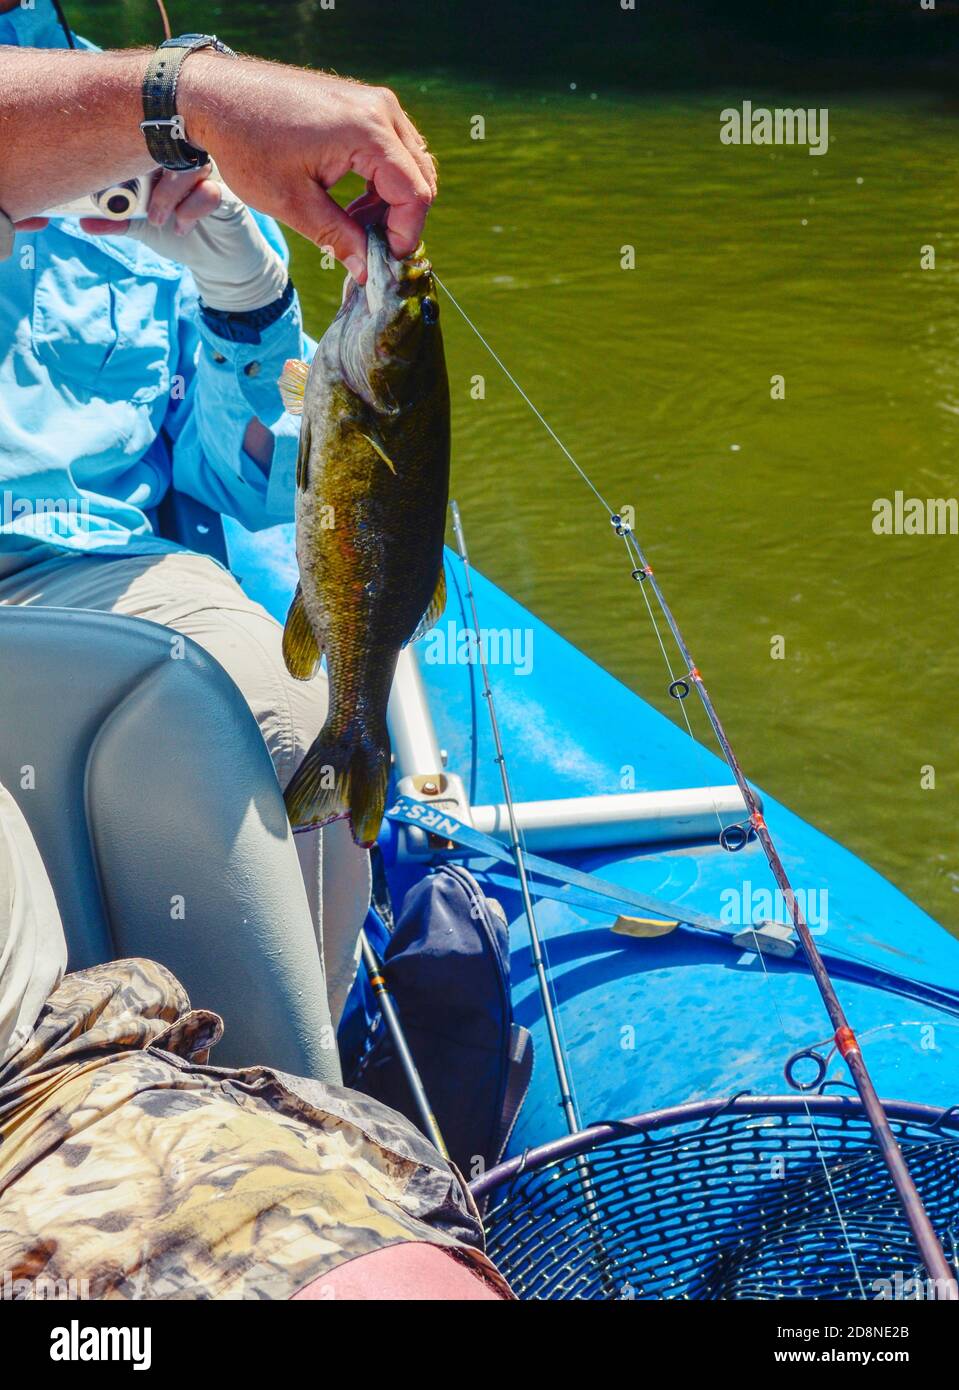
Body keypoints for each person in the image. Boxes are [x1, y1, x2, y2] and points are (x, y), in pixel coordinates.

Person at [0, 1, 438, 1028]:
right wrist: (184, 95)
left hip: (90, 563)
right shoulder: (144, 101)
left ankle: (274, 1104)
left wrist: (241, 294)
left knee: (282, 720)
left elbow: (241, 479)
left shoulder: (133, 103)